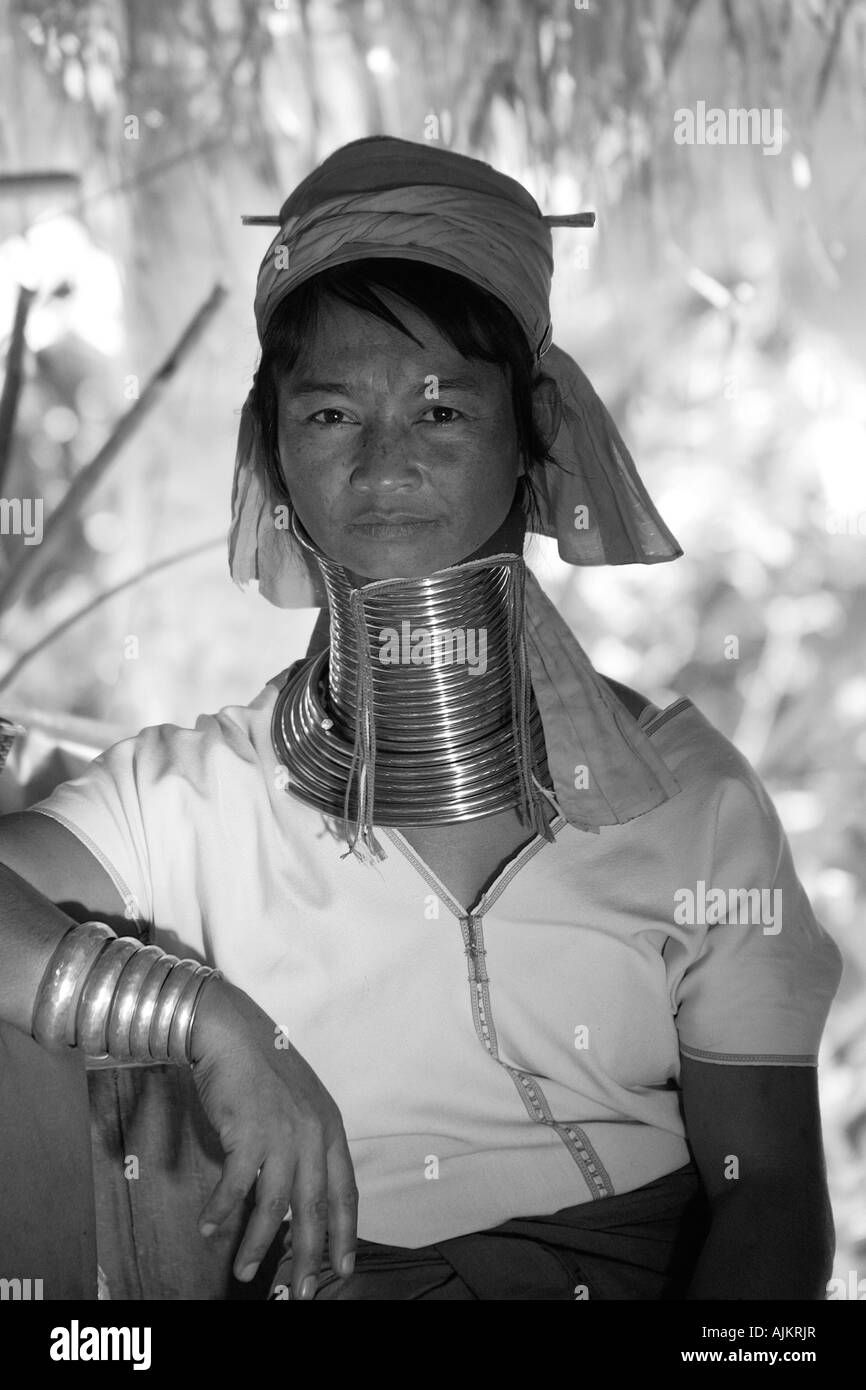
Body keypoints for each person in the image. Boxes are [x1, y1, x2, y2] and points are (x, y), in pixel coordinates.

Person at [0, 136, 842, 1301]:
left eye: (441, 409)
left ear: (532, 428)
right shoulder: (187, 804)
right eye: (333, 413)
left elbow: (770, 1196)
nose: (385, 461)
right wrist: (204, 1014)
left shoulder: (691, 803)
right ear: (271, 447)